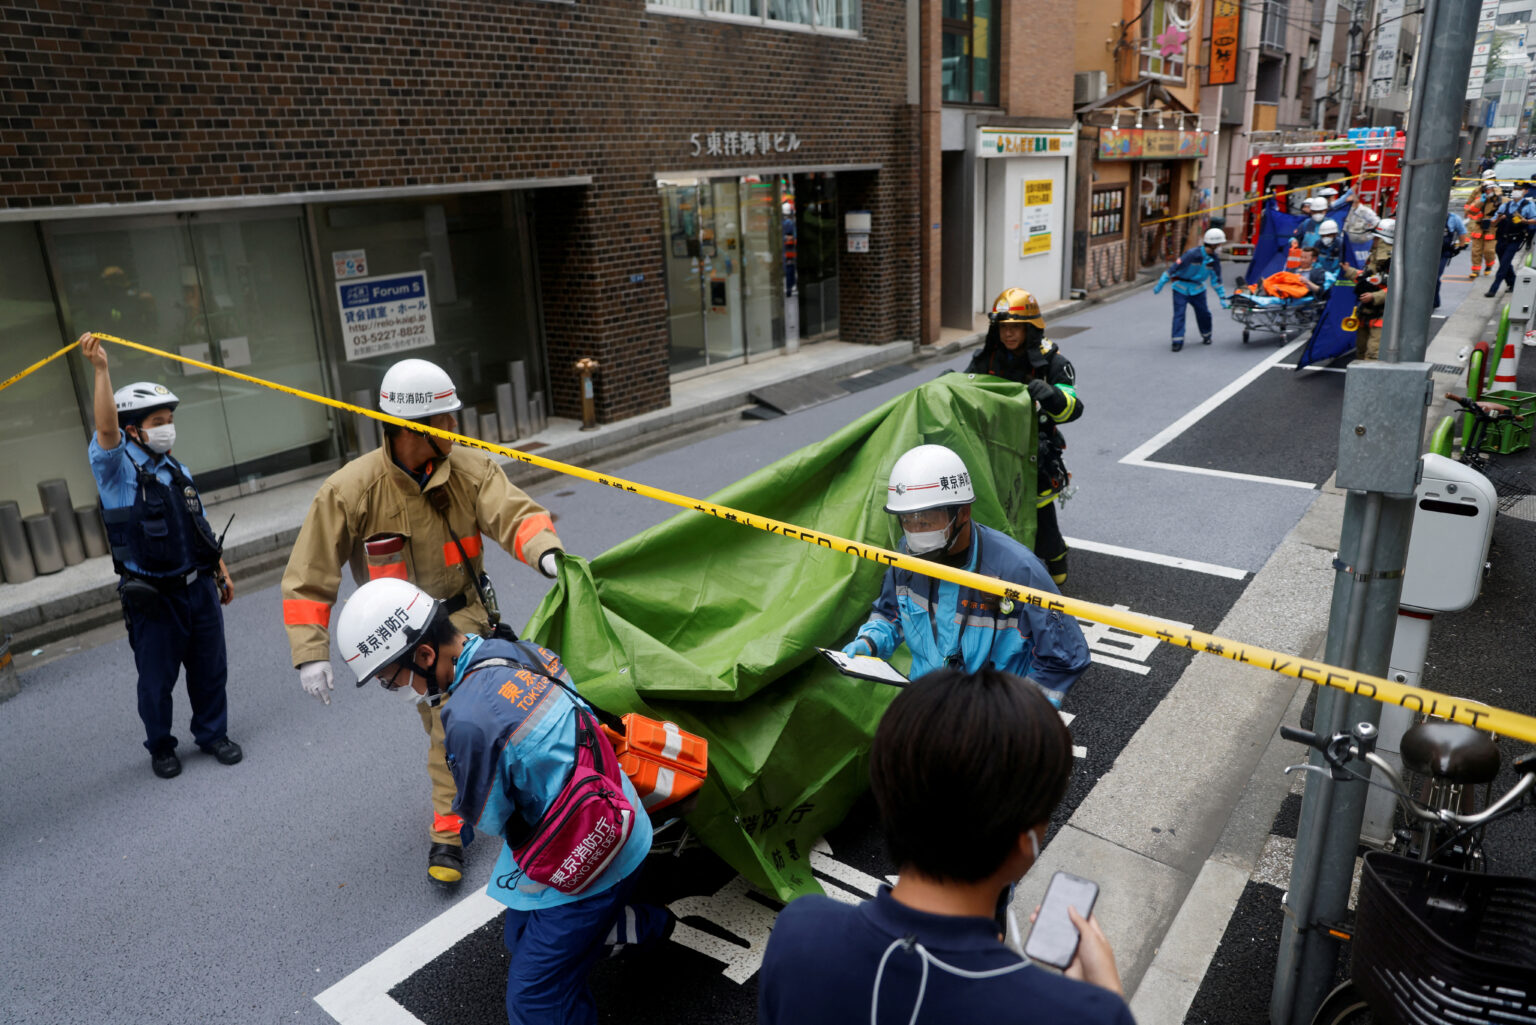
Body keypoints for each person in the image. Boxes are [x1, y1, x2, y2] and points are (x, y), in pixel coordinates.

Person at [281, 357, 567, 888]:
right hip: (403, 638)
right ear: (414, 427)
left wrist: (547, 552)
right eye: (446, 421)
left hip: (465, 614)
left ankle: (495, 802)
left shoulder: (470, 469)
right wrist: (311, 652)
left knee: (490, 708)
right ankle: (451, 824)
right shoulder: (351, 491)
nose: (455, 429)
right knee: (448, 726)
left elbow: (515, 513)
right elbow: (309, 573)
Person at [336, 578, 670, 1025]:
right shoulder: (520, 650)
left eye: (390, 680)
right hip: (621, 814)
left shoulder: (469, 719)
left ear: (424, 655)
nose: (400, 690)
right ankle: (642, 926)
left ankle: (612, 928)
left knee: (534, 1002)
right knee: (519, 935)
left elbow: (492, 815)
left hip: (588, 859)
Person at [758, 666, 1134, 1025]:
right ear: (1026, 842)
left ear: (887, 791)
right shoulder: (1083, 1016)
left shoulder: (800, 931)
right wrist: (1107, 999)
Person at [79, 333, 240, 780]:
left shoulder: (176, 467)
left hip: (197, 587)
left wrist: (220, 572)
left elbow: (198, 523)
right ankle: (162, 746)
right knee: (156, 682)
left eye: (170, 419)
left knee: (210, 669)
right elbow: (106, 429)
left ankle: (212, 734)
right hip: (153, 596)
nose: (168, 427)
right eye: (158, 420)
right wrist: (101, 370)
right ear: (134, 428)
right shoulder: (115, 468)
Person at [840, 444, 1091, 707]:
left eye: (925, 522)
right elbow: (890, 613)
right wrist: (869, 641)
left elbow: (1065, 656)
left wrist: (1021, 715)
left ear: (962, 513)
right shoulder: (907, 557)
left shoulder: (1018, 571)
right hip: (926, 707)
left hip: (993, 725)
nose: (914, 532)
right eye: (907, 521)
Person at [964, 287, 1083, 585]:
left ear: (1030, 327)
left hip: (1036, 450)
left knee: (1041, 513)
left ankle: (1055, 557)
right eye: (1003, 328)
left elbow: (1073, 408)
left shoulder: (1053, 362)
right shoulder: (986, 360)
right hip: (994, 447)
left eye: (1015, 327)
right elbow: (967, 392)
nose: (1008, 334)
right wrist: (951, 384)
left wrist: (1053, 396)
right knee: (995, 509)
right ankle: (1003, 565)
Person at [1154, 227, 1228, 352]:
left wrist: (1222, 297)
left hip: (1198, 289)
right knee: (1179, 314)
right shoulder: (1192, 254)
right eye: (1220, 244)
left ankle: (1206, 335)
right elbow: (1174, 269)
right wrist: (1162, 281)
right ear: (1214, 244)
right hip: (1181, 288)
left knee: (1204, 313)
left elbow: (1216, 280)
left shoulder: (1214, 260)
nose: (1221, 246)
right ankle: (1177, 340)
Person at [1352, 219, 1394, 362]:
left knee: (1373, 354)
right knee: (1361, 350)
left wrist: (1374, 296)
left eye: (1377, 238)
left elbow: (1397, 290)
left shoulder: (1393, 263)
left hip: (1381, 315)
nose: (1374, 241)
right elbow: (1366, 278)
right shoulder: (1373, 258)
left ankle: (1368, 383)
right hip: (1365, 313)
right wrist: (1348, 271)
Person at [1486, 184, 1536, 298]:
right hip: (1502, 238)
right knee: (1505, 262)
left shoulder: (1529, 205)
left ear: (1526, 191)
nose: (1516, 191)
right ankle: (1512, 283)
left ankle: (1493, 289)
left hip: (1516, 238)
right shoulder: (1506, 205)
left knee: (1504, 264)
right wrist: (1499, 218)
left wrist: (1525, 221)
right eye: (1515, 189)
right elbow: (1493, 223)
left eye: (1519, 189)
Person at [1466, 176, 1502, 279]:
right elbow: (1471, 210)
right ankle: (1475, 270)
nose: (1487, 190)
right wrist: (1481, 201)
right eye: (1486, 189)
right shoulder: (1481, 198)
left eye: (1489, 189)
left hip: (1492, 227)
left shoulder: (1499, 199)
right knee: (1476, 250)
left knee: (1489, 250)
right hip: (1479, 226)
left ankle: (1489, 265)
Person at [1439, 209, 1469, 310]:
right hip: (1427, 251)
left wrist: (1460, 247)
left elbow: (1462, 232)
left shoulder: (1453, 218)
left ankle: (1434, 302)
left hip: (1443, 253)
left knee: (1436, 277)